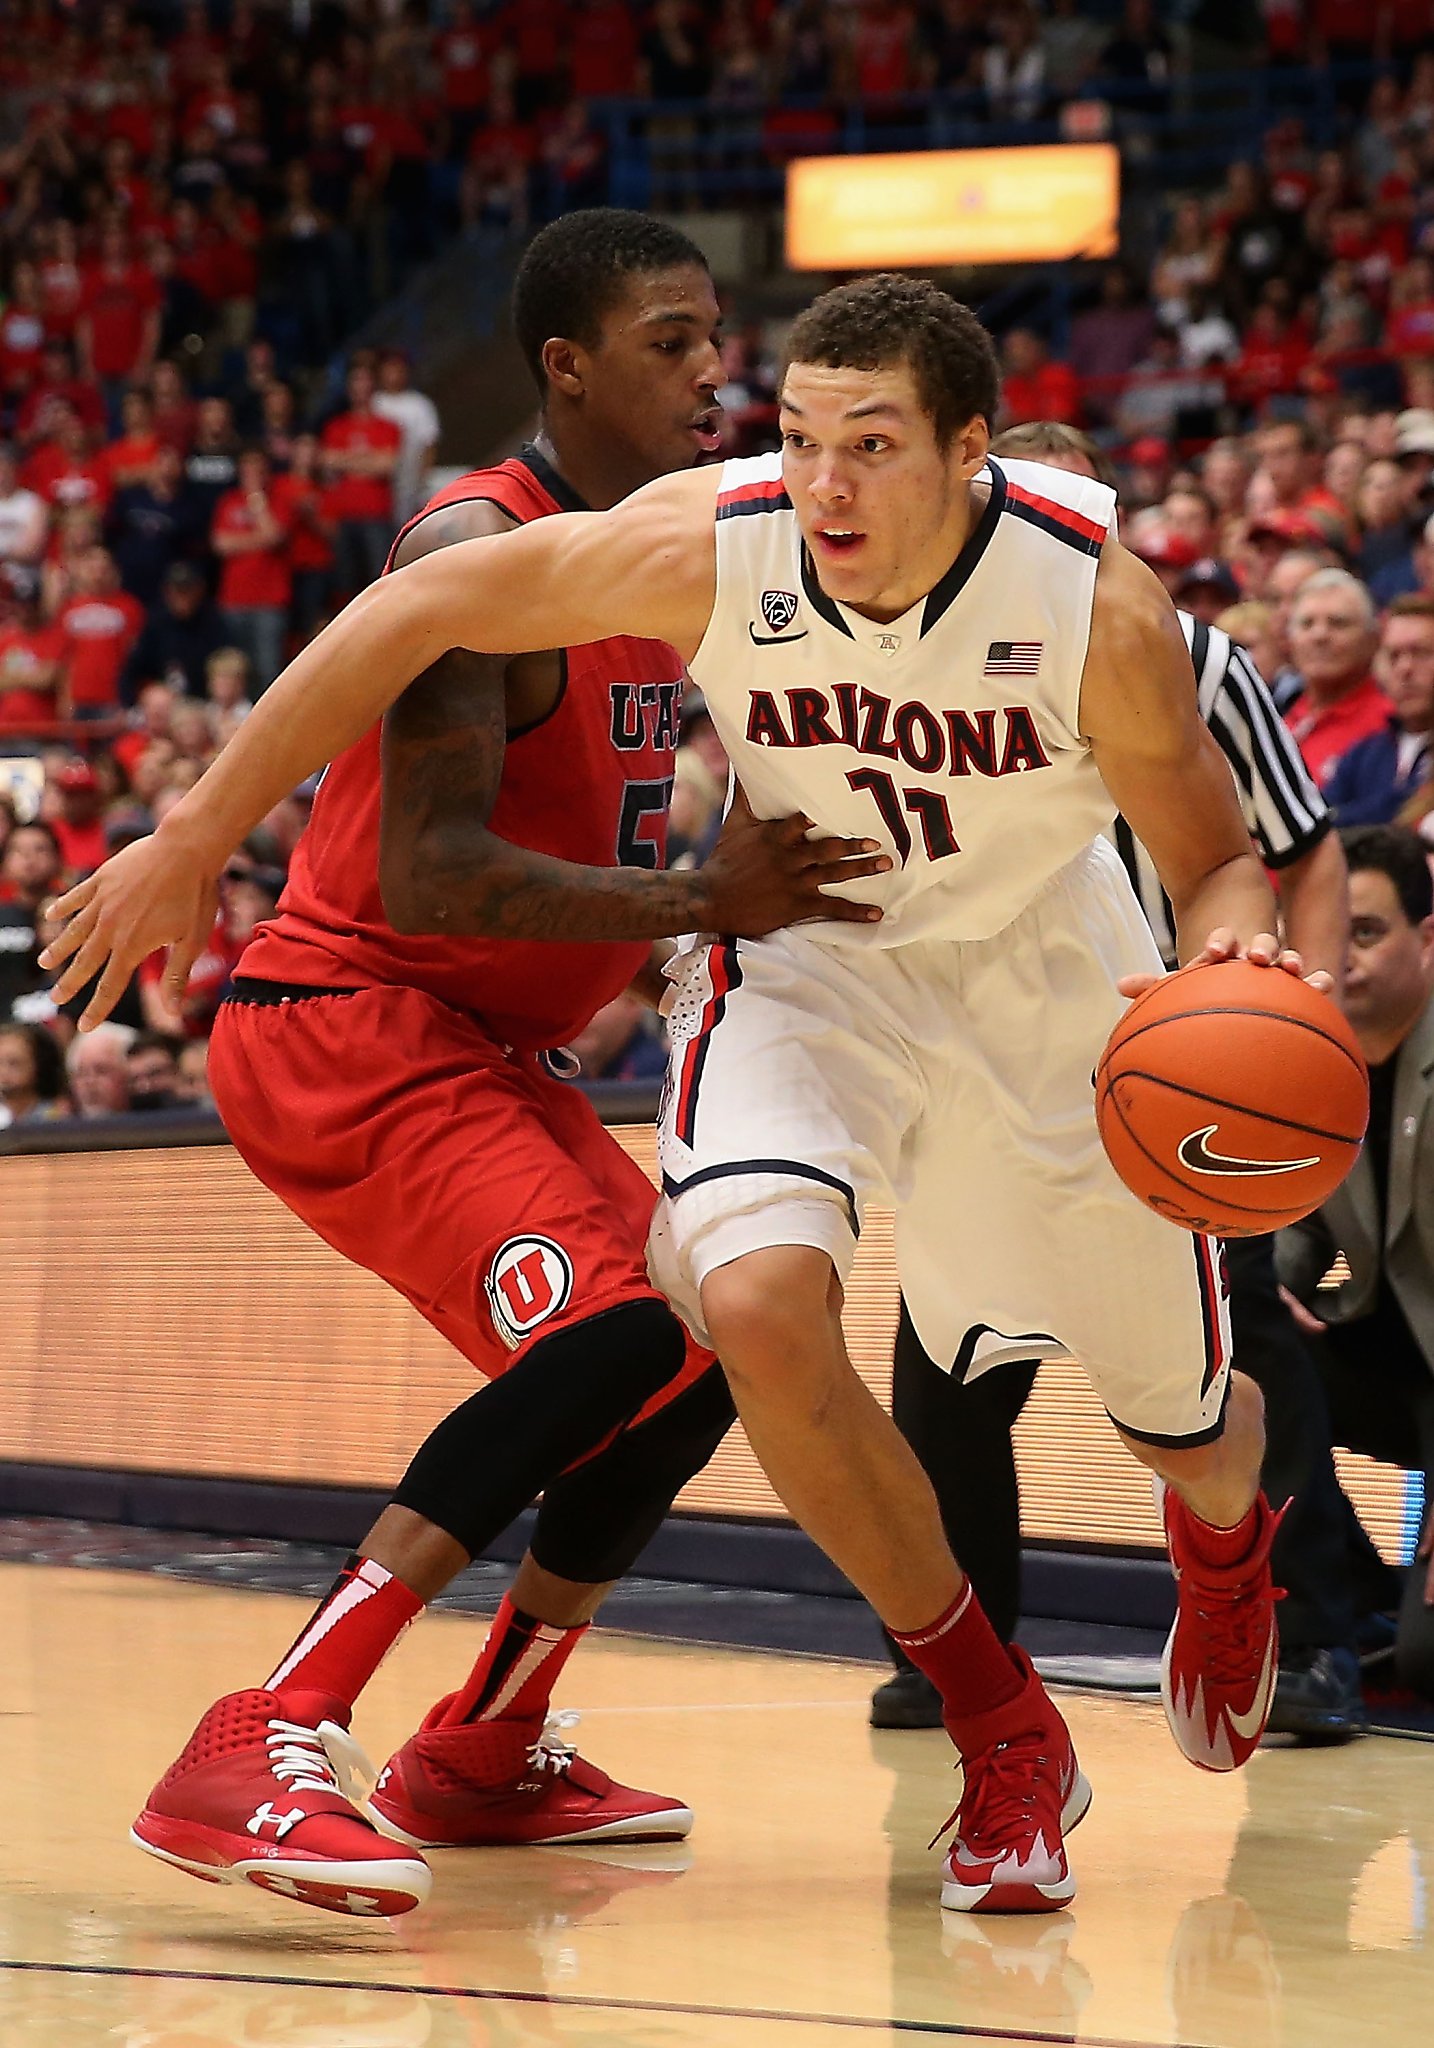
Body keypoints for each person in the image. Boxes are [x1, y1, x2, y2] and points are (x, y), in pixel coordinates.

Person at [48, 274, 1325, 1917]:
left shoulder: (1093, 605)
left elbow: (1215, 859)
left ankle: (1218, 1548)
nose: (824, 485)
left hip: (1041, 981)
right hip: (815, 947)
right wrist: (198, 829)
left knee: (1182, 1428)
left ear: (967, 453)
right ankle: (1000, 1726)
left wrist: (1231, 970)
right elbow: (404, 615)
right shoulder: (710, 537)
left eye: (871, 446)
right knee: (747, 1309)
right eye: (799, 440)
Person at [41, 211, 885, 1922]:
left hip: (479, 1047)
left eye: (713, 334)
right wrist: (689, 895)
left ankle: (486, 1743)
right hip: (351, 1021)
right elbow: (425, 872)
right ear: (562, 368)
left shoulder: (664, 562)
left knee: (706, 1337)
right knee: (614, 1330)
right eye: (668, 339)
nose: (709, 369)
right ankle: (264, 1726)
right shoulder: (474, 540)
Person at [871, 419, 1364, 1745]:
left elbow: (1303, 850)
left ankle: (1306, 1636)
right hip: (997, 1065)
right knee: (945, 1371)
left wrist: (1296, 1026)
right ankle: (959, 1657)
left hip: (1184, 1063)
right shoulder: (903, 662)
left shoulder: (1193, 660)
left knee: (1239, 1344)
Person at [1277, 826, 1434, 1703]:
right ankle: (1361, 1604)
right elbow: (1299, 1226)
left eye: (1367, 932)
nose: (1344, 957)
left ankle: (1407, 1617)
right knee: (1241, 1373)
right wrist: (1269, 1297)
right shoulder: (1318, 1055)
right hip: (1387, 1350)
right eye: (1334, 934)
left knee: (1430, 1666)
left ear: (1429, 938)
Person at [1324, 596, 1434, 826]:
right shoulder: (1364, 753)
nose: (1405, 668)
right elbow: (1320, 827)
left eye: (1421, 653)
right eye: (1394, 656)